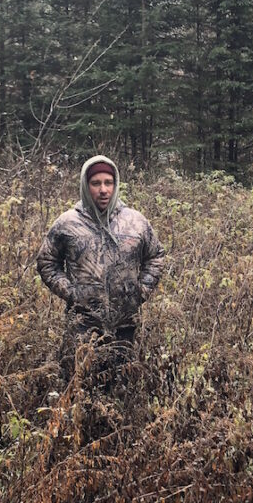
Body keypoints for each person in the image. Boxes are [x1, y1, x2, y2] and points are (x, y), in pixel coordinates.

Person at [36, 155, 165, 386]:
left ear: (116, 185)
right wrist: (72, 293)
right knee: (81, 385)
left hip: (125, 324)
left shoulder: (135, 221)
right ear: (86, 186)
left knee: (122, 386)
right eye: (96, 183)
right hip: (83, 324)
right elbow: (47, 262)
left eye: (109, 182)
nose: (103, 190)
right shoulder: (67, 223)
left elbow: (156, 256)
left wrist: (140, 291)